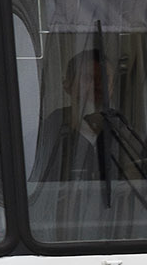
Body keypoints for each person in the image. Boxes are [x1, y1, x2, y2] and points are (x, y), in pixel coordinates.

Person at [32, 48, 116, 183]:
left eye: (104, 79)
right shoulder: (44, 138)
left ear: (112, 88)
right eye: (88, 78)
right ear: (67, 85)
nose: (98, 86)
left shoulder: (128, 137)